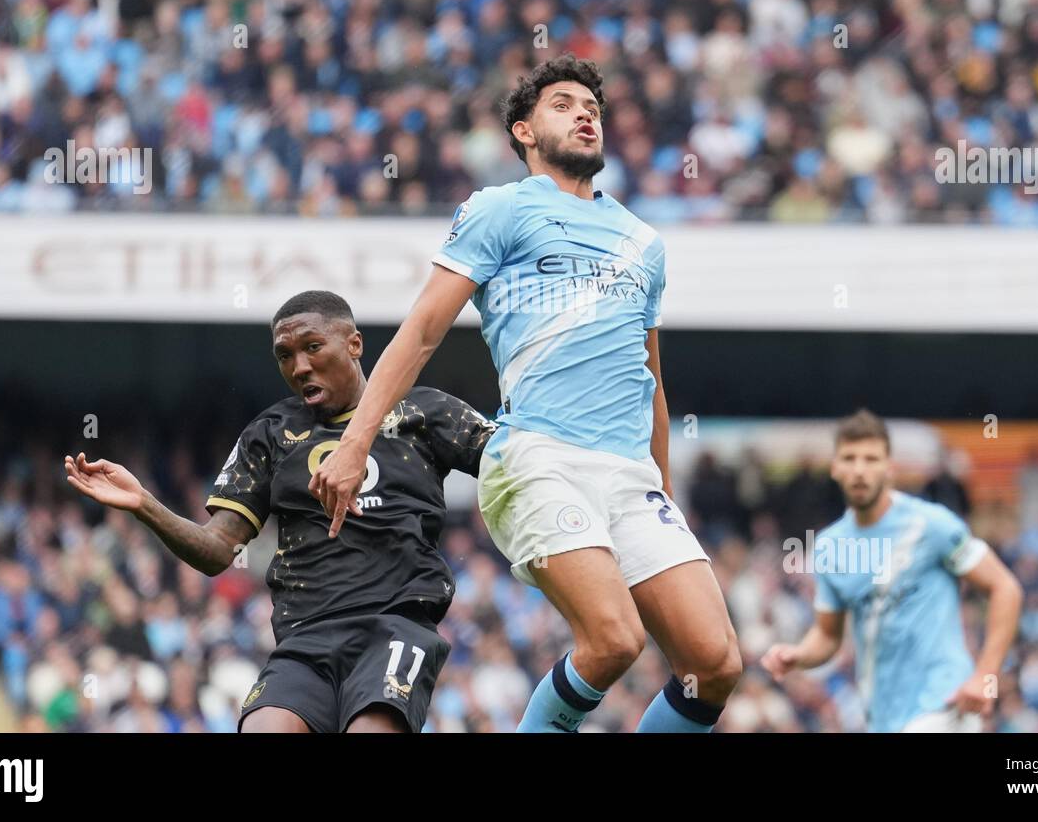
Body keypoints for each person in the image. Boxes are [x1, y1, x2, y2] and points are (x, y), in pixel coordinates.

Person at [312, 53, 741, 733]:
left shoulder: (643, 242)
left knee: (714, 664)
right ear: (523, 131)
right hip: (540, 458)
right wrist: (355, 438)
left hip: (630, 477)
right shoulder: (498, 210)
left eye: (593, 107)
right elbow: (422, 329)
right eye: (564, 105)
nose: (585, 115)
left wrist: (660, 485)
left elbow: (649, 374)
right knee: (613, 640)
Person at [64, 290, 494, 733]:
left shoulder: (426, 412)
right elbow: (216, 550)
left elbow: (515, 462)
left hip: (395, 628)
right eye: (284, 355)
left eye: (312, 347)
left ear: (354, 344)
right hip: (306, 639)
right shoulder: (270, 434)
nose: (299, 366)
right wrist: (145, 504)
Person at [760, 409, 1023, 732]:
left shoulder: (931, 525)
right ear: (835, 468)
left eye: (871, 459)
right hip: (883, 718)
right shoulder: (829, 547)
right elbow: (828, 635)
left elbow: (1004, 588)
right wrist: (798, 654)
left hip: (944, 702)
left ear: (889, 467)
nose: (860, 470)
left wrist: (986, 673)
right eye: (850, 458)